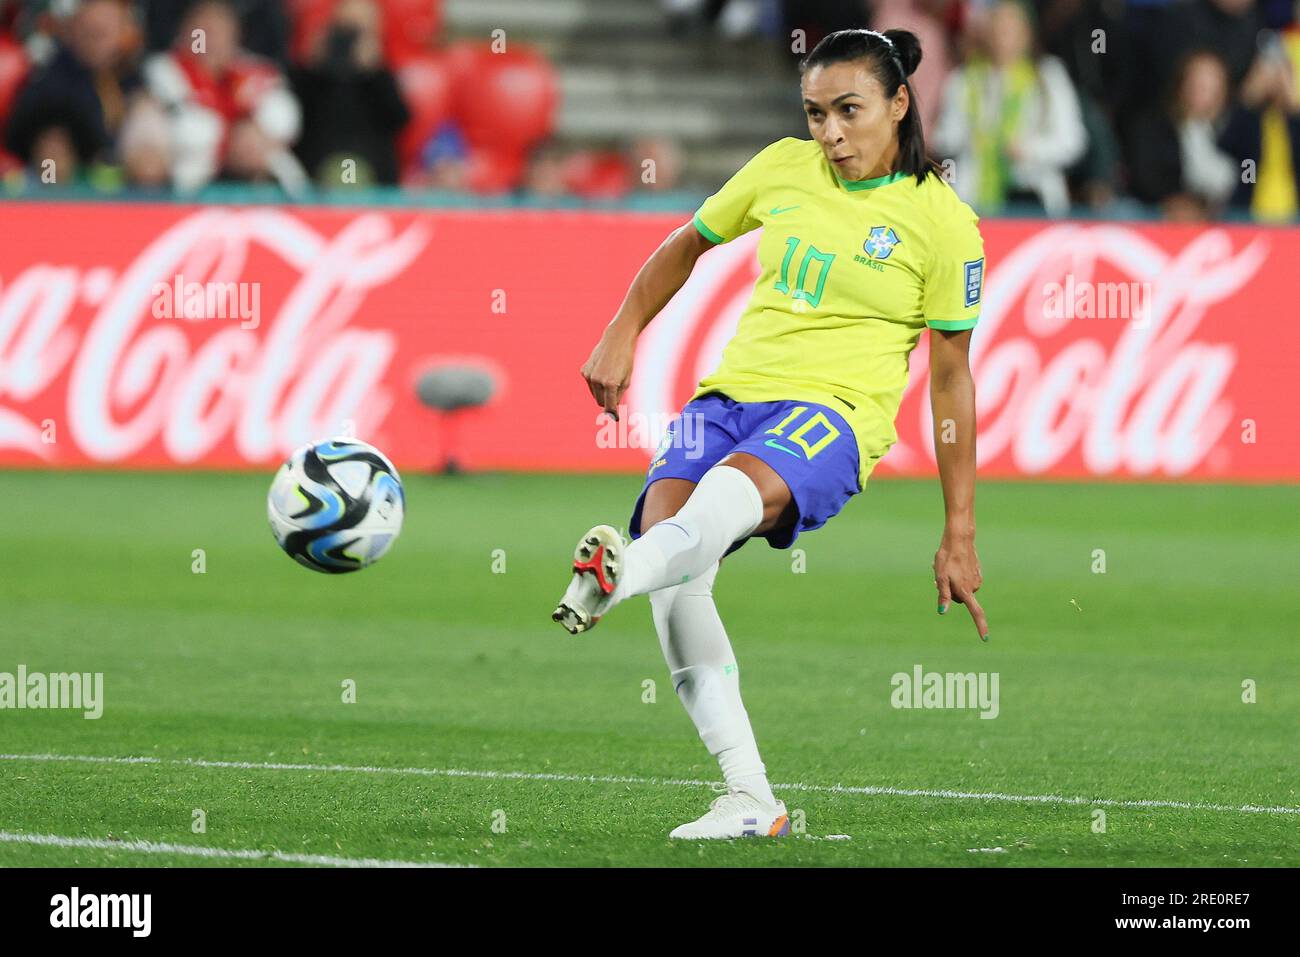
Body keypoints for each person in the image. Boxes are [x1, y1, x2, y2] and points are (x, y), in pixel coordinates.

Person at [551, 29, 988, 840]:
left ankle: (613, 576)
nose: (830, 133)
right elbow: (689, 242)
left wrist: (958, 527)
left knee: (712, 508)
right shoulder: (783, 165)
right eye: (817, 113)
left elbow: (952, 374)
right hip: (728, 398)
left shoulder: (944, 223)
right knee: (678, 578)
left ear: (898, 104)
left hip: (834, 415)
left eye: (849, 111)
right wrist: (624, 327)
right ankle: (750, 796)